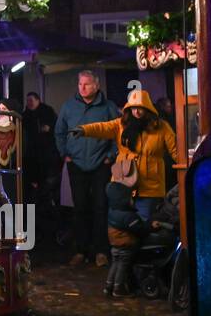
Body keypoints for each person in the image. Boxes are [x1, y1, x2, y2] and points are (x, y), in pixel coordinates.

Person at [71, 88, 178, 222]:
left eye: (140, 108)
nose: (136, 112)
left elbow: (175, 150)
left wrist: (189, 166)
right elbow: (103, 127)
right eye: (133, 108)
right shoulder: (121, 124)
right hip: (123, 185)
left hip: (149, 187)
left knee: (143, 225)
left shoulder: (162, 127)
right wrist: (84, 130)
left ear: (148, 108)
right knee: (121, 224)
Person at [54, 70, 120, 267]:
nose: (82, 88)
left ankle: (101, 251)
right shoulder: (68, 107)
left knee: (101, 207)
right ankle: (80, 250)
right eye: (80, 84)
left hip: (101, 163)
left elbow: (118, 132)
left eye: (87, 84)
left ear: (96, 86)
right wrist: (64, 153)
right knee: (80, 207)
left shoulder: (108, 107)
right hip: (76, 163)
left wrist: (110, 156)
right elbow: (59, 132)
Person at [102, 162, 165, 297]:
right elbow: (139, 229)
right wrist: (150, 226)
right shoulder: (128, 216)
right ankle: (118, 288)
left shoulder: (113, 212)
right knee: (122, 266)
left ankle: (108, 286)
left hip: (115, 244)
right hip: (126, 245)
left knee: (115, 264)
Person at [20, 92, 59, 205]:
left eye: (31, 100)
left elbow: (57, 127)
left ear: (38, 100)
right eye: (28, 101)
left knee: (47, 181)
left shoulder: (47, 111)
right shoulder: (25, 115)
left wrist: (49, 128)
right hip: (31, 153)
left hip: (47, 152)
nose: (29, 103)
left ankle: (47, 203)